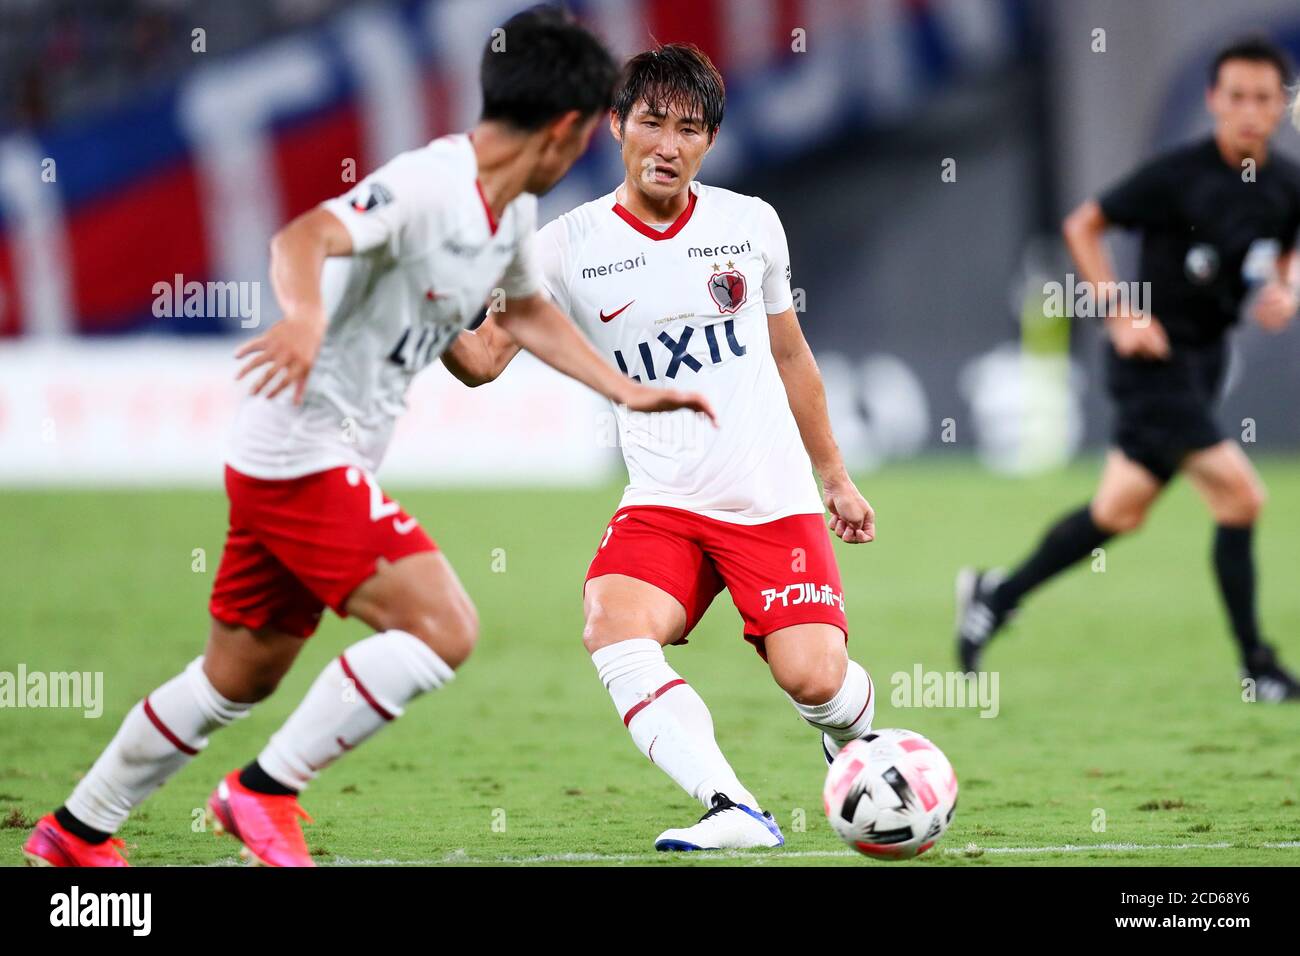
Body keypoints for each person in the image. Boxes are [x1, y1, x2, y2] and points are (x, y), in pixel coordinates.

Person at [23, 6, 716, 868]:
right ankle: (264, 792)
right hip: (302, 453)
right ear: (570, 129)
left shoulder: (505, 215)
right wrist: (307, 318)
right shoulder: (431, 185)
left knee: (237, 675)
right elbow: (303, 237)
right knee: (443, 628)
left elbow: (523, 317)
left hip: (311, 457)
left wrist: (622, 390)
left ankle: (73, 834)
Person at [444, 43, 877, 851]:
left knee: (815, 680)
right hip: (664, 502)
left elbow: (792, 357)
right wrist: (427, 309)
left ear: (710, 140)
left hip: (768, 501)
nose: (668, 146)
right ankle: (733, 807)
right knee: (610, 620)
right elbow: (481, 362)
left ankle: (852, 737)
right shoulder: (562, 247)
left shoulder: (750, 225)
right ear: (616, 126)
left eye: (689, 129)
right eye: (651, 123)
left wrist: (835, 477)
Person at [957, 36, 1300, 702]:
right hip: (1151, 363)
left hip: (1205, 362)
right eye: (1237, 97)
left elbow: (1286, 253)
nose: (1250, 111)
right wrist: (1119, 311)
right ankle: (1258, 667)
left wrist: (1285, 288)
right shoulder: (1177, 175)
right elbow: (1084, 224)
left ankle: (996, 594)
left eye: (1264, 97)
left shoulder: (1287, 183)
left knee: (1118, 512)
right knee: (1242, 496)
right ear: (1214, 101)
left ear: (1281, 104)